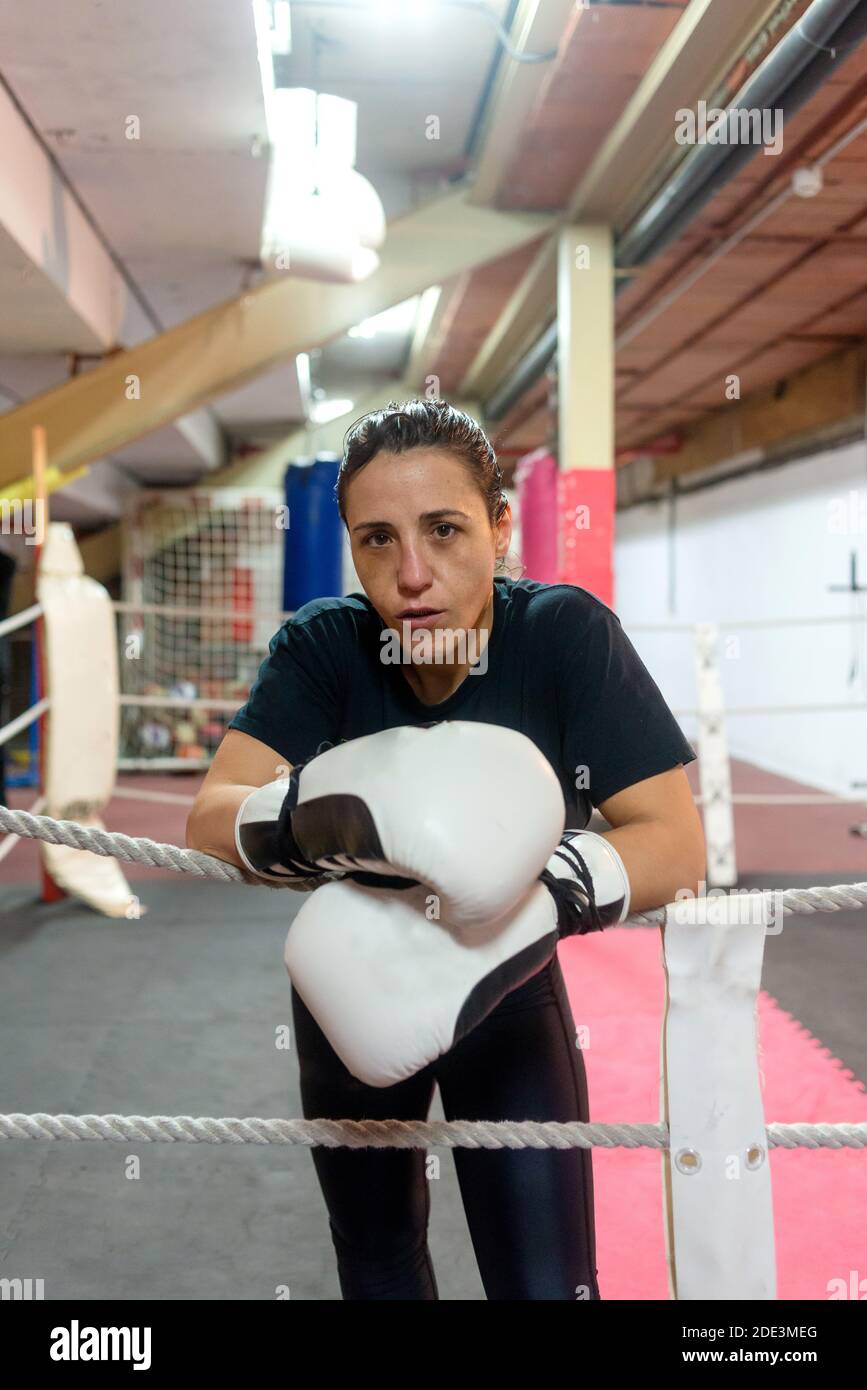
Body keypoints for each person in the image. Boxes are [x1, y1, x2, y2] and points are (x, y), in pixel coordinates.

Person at [186, 398, 705, 1300]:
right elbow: (211, 814)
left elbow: (675, 841)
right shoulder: (326, 646)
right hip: (351, 981)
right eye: (377, 540)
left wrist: (525, 904)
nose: (412, 574)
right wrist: (328, 814)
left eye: (444, 530)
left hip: (505, 985)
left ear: (500, 528)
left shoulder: (561, 635)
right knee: (378, 1263)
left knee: (544, 1283)